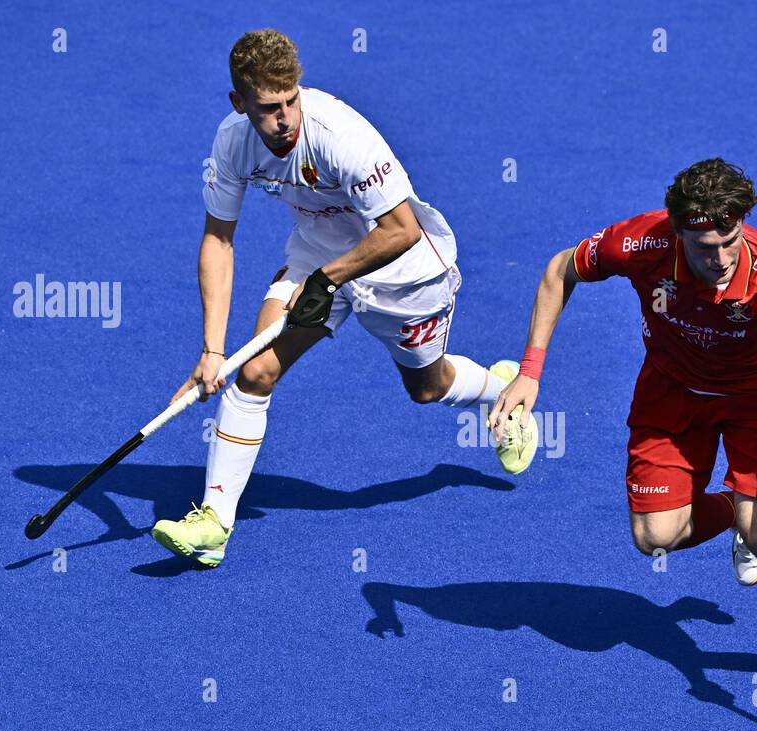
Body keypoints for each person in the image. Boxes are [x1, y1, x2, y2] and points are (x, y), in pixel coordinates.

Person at [489, 159, 757, 696]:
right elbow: (560, 270)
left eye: (730, 242)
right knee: (655, 537)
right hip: (671, 392)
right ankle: (743, 512)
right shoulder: (641, 244)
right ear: (677, 232)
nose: (719, 259)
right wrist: (531, 370)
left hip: (756, 402)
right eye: (703, 247)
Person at [153, 29, 537, 567]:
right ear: (239, 104)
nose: (284, 118)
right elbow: (218, 239)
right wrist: (213, 350)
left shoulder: (341, 137)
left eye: (291, 101)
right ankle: (215, 522)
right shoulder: (232, 141)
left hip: (403, 270)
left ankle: (501, 392)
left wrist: (328, 281)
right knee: (255, 370)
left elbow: (401, 228)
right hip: (318, 254)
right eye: (267, 108)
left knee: (427, 389)